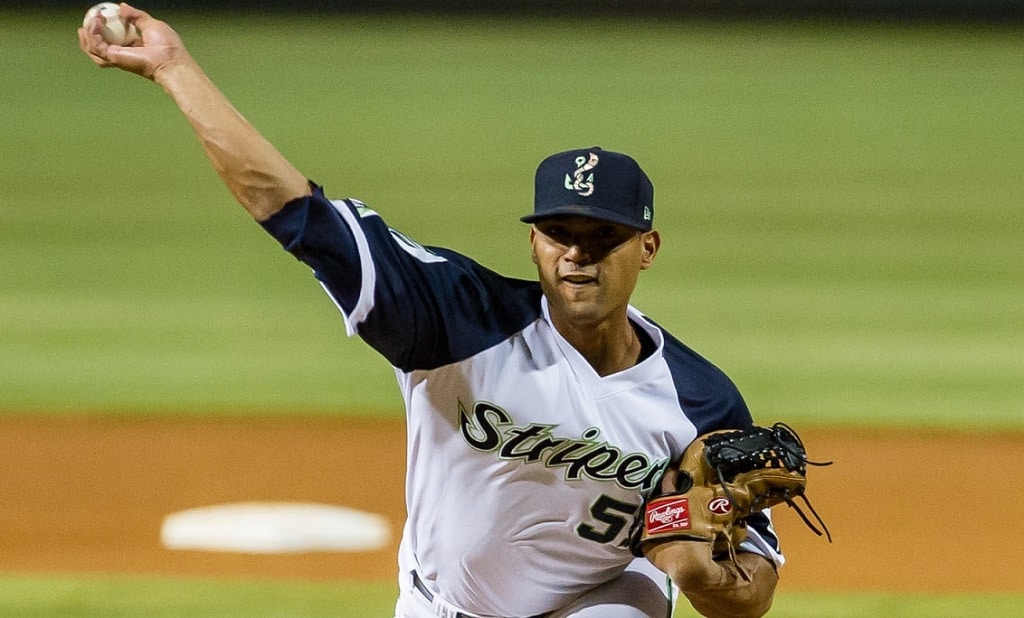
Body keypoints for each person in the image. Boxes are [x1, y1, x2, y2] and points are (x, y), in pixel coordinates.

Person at [79, 5, 781, 617]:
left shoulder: (702, 401)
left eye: (604, 238)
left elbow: (754, 589)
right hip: (439, 604)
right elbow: (293, 210)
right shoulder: (456, 318)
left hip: (600, 601)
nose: (578, 254)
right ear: (533, 241)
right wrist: (173, 68)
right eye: (560, 234)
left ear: (647, 247)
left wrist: (699, 573)